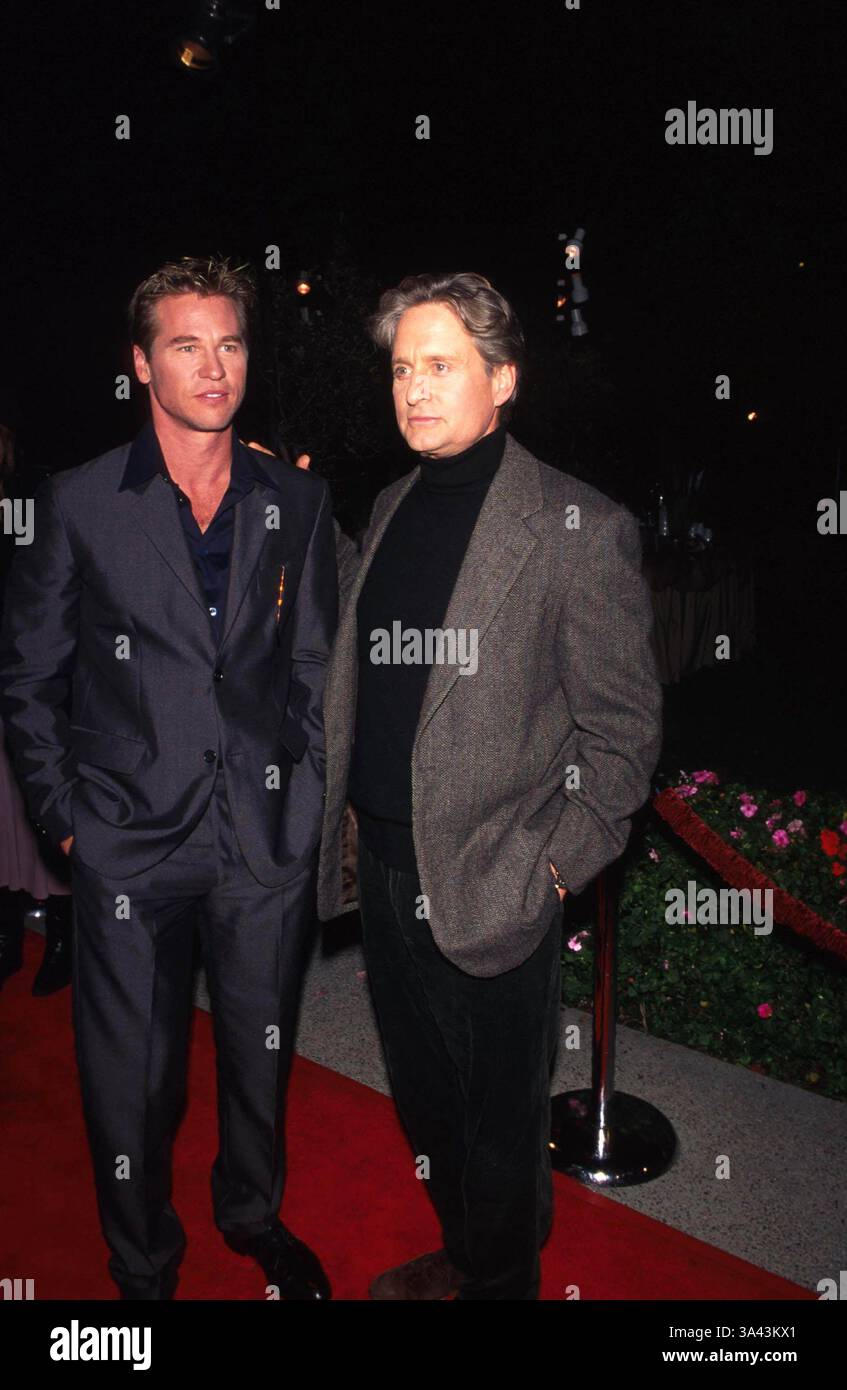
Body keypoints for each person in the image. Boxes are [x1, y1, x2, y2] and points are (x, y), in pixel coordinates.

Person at [317, 271, 663, 1300]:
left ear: (503, 378)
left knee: (498, 1127)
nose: (415, 389)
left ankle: (500, 1281)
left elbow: (624, 738)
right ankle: (468, 1258)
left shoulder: (577, 529)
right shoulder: (389, 503)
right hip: (380, 866)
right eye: (400, 368)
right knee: (426, 1103)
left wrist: (546, 869)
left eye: (441, 365)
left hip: (494, 880)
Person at [0, 257, 337, 1300]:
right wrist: (67, 825)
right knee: (130, 1080)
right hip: (125, 844)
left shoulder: (299, 498)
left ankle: (250, 1210)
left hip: (260, 839)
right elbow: (29, 678)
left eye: (230, 343)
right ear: (142, 362)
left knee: (256, 1057)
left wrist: (305, 799)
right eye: (186, 345)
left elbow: (318, 668)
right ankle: (142, 1257)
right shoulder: (82, 500)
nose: (213, 366)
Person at [0, 423, 73, 996]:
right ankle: (6, 933)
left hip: (32, 672)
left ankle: (64, 938)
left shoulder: (41, 497)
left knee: (45, 809)